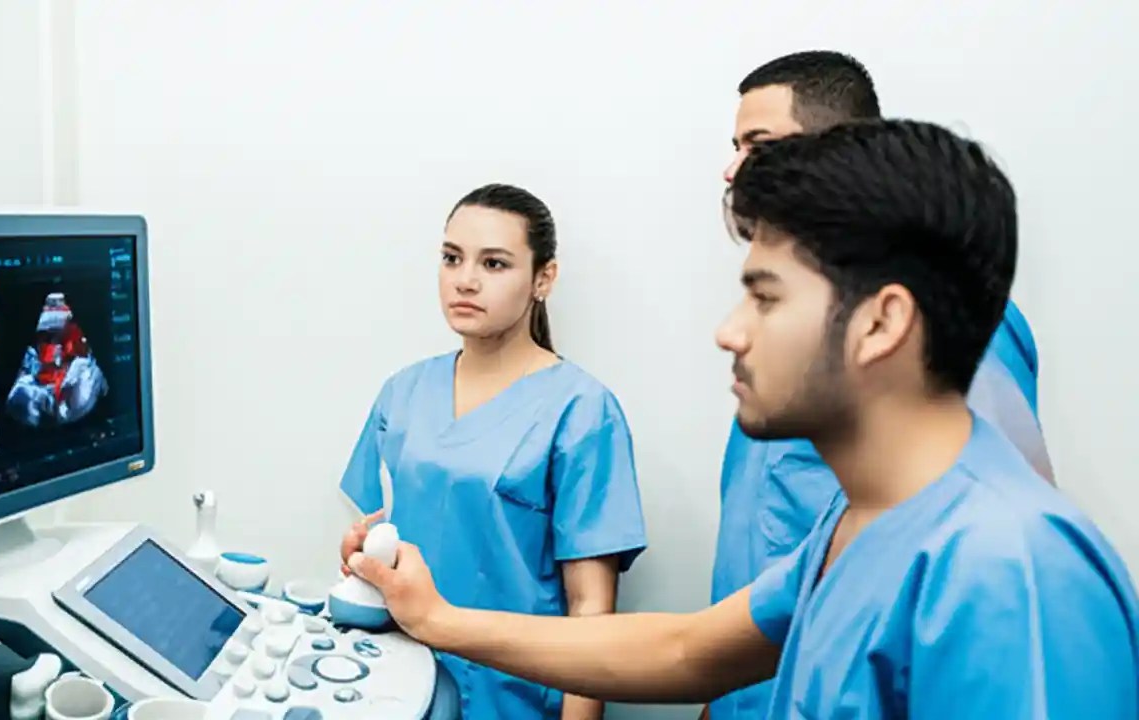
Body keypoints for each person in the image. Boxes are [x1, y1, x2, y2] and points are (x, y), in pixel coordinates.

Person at [344, 120, 1139, 718]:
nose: (730, 329)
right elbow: (684, 649)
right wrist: (439, 620)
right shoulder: (855, 529)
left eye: (764, 295)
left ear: (881, 322)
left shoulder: (1015, 571)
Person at [706, 51, 1054, 719]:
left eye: (761, 146)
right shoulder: (796, 360)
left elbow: (992, 532)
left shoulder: (1008, 550)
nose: (734, 170)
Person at [338, 183, 648, 719]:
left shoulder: (581, 412)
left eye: (495, 264)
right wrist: (364, 556)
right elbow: (387, 533)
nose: (466, 280)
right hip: (398, 690)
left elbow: (591, 613)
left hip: (512, 699)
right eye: (452, 258)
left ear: (542, 279)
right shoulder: (404, 392)